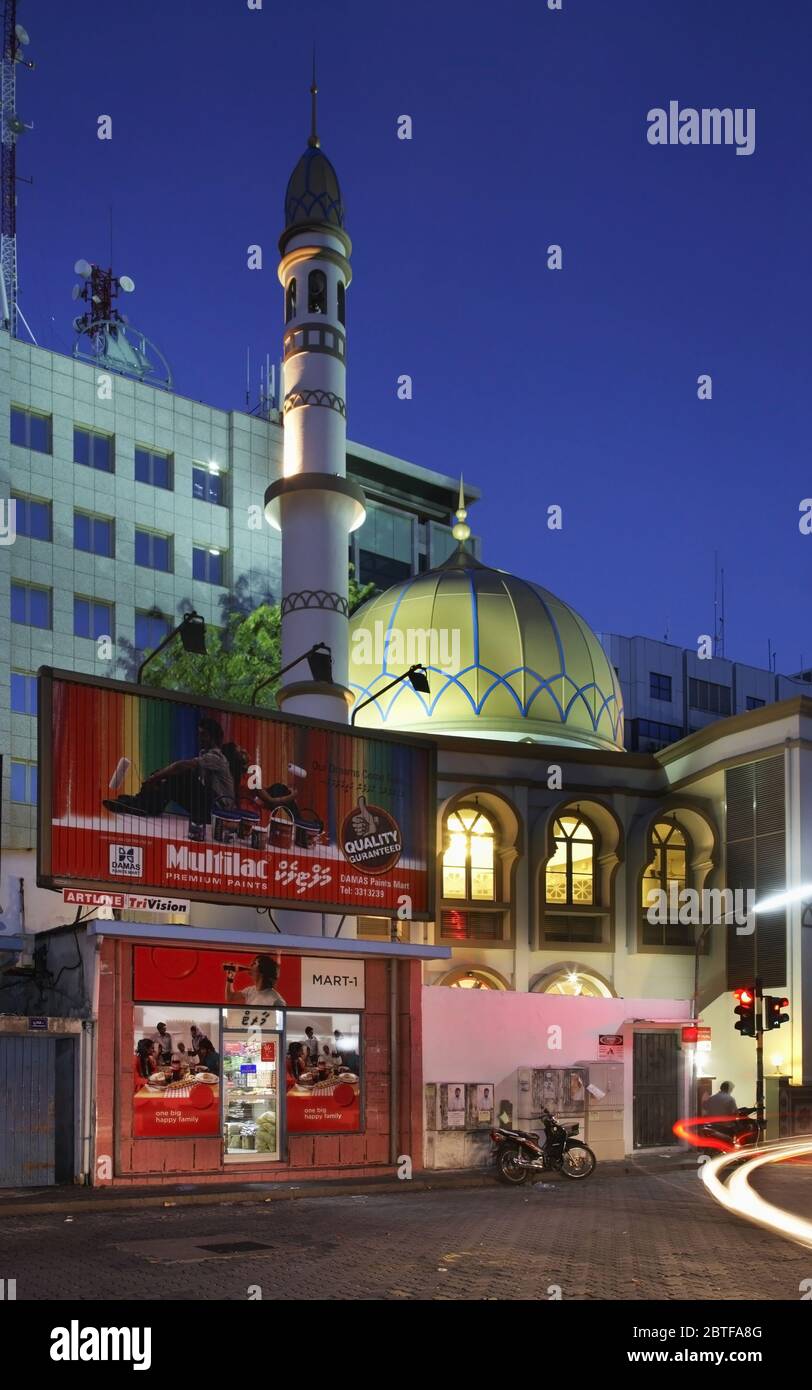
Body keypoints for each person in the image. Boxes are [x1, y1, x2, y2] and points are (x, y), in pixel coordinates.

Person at [103, 717, 235, 823]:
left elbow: (182, 767)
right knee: (170, 775)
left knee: (179, 774)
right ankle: (143, 802)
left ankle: (146, 806)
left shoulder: (217, 757)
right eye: (199, 734)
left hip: (217, 812)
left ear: (213, 737)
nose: (199, 738)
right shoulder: (205, 754)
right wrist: (159, 778)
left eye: (203, 735)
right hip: (207, 807)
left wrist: (155, 778)